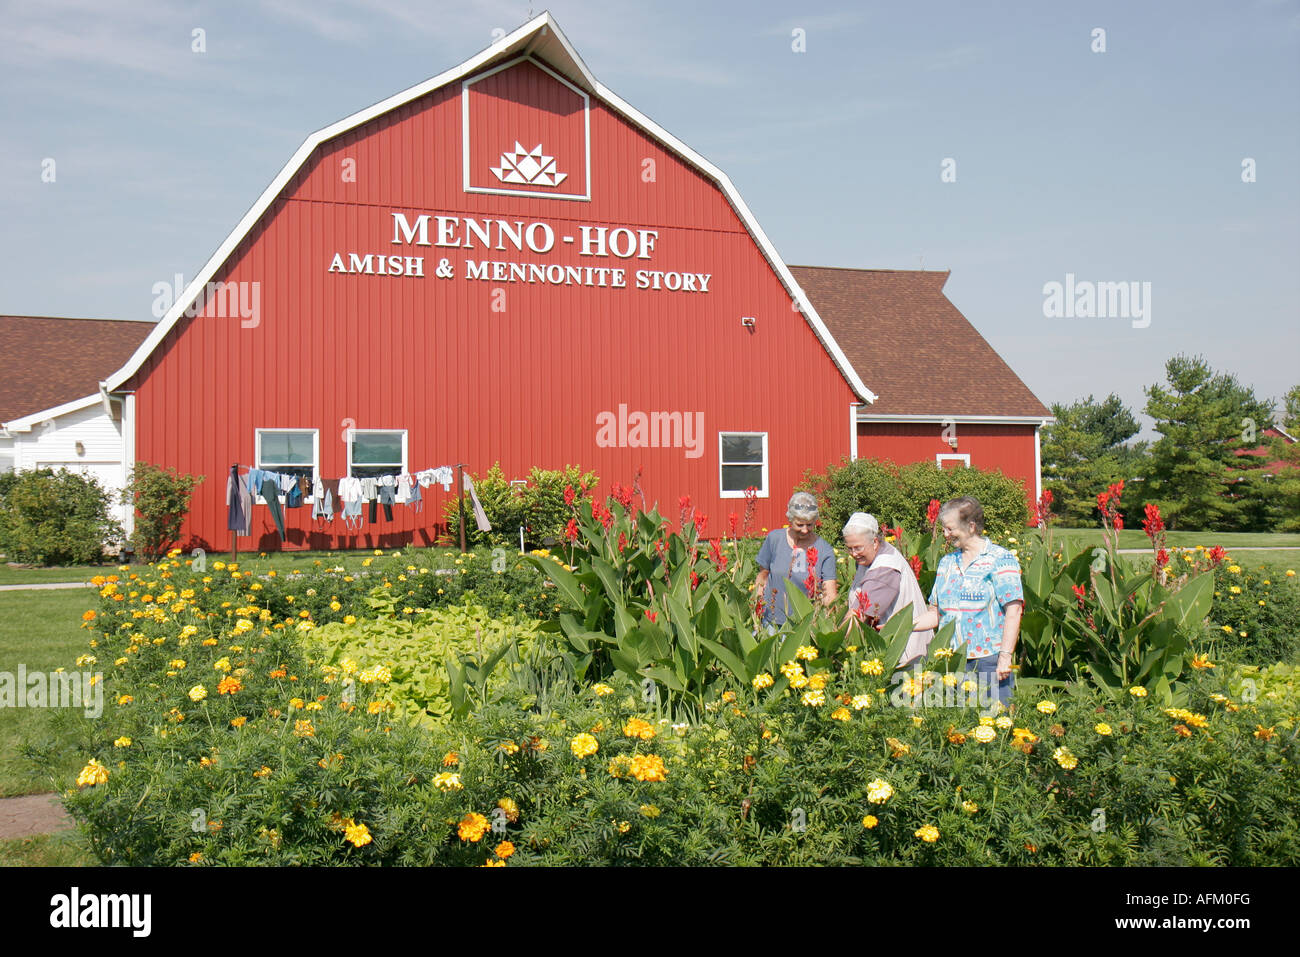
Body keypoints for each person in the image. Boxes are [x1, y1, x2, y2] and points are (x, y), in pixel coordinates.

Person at [910, 496, 1024, 708]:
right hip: (952, 661)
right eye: (943, 529)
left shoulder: (1000, 559)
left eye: (950, 529)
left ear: (971, 526)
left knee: (994, 721)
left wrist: (1005, 656)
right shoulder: (947, 562)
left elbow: (1014, 610)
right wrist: (904, 628)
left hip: (988, 660)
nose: (945, 534)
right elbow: (936, 613)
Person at [841, 512, 933, 667]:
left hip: (904, 655)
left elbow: (859, 616)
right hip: (889, 649)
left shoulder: (885, 567)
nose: (853, 554)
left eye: (858, 548)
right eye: (849, 548)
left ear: (875, 542)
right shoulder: (871, 556)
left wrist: (834, 643)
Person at [754, 491, 838, 627]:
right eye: (800, 525)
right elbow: (763, 575)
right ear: (790, 520)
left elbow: (830, 593)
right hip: (771, 620)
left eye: (810, 525)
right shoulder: (774, 539)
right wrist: (756, 606)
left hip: (806, 624)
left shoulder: (824, 549)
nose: (805, 530)